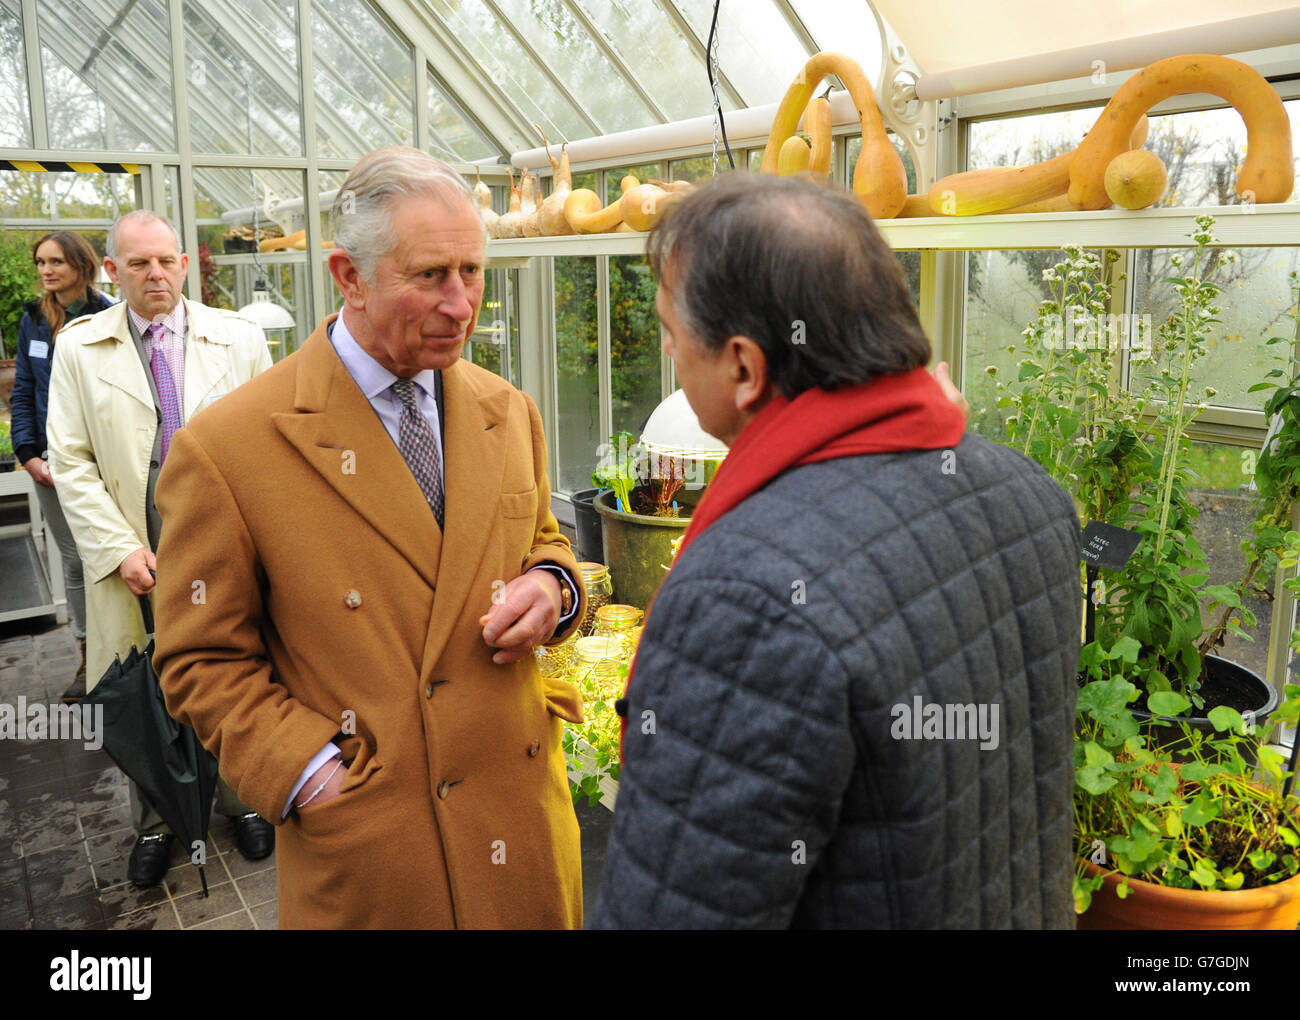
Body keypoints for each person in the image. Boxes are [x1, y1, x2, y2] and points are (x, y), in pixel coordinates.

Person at [588, 173, 1082, 929]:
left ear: (746, 367)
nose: (667, 351)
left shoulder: (744, 596)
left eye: (671, 331)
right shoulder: (1026, 494)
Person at [152, 146, 588, 929]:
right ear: (348, 275)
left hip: (519, 831)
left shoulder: (506, 409)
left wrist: (554, 589)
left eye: (473, 272)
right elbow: (199, 658)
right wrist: (308, 770)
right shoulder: (230, 449)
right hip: (379, 859)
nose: (463, 305)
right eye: (431, 277)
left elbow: (546, 542)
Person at [46, 210, 277, 888]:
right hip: (132, 543)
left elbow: (267, 445)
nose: (156, 274)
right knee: (143, 683)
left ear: (184, 263)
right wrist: (118, 550)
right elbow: (71, 458)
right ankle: (158, 821)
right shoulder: (80, 349)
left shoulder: (236, 340)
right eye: (138, 263)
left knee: (230, 665)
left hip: (219, 540)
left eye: (166, 260)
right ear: (113, 271)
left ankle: (242, 801)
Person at [11, 232, 115, 702]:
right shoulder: (33, 320)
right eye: (40, 262)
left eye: (56, 262)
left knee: (116, 553)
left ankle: (133, 652)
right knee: (73, 560)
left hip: (105, 457)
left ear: (80, 265)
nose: (46, 271)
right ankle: (89, 656)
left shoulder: (111, 312)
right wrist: (28, 453)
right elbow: (24, 390)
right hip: (51, 462)